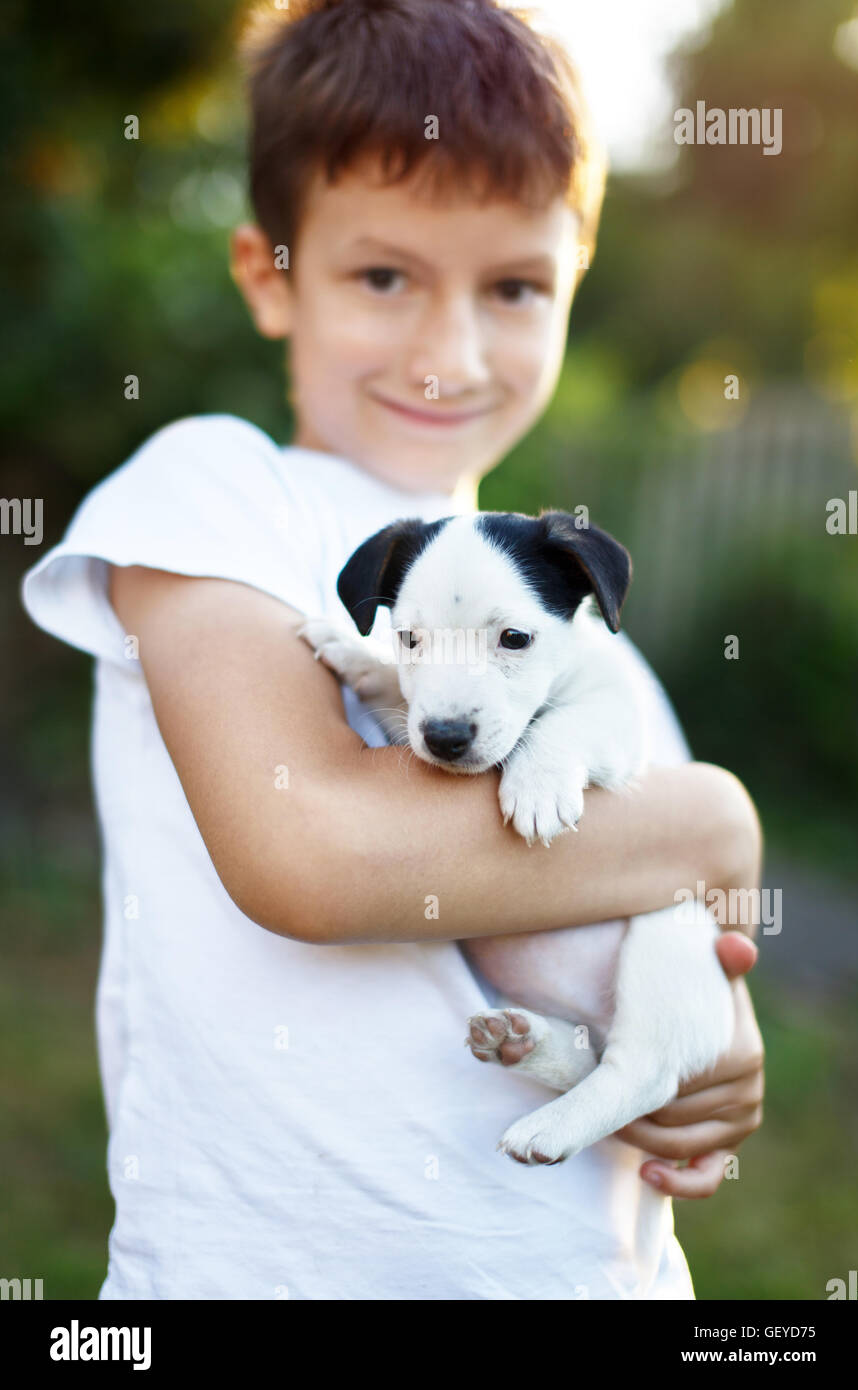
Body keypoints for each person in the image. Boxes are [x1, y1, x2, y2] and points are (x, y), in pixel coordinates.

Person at [20, 0, 764, 1300]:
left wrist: (716, 1051)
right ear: (268, 273)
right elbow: (315, 855)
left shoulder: (582, 634)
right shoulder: (215, 492)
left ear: (576, 279)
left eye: (514, 285)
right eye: (383, 275)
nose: (448, 353)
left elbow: (666, 946)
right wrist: (712, 820)